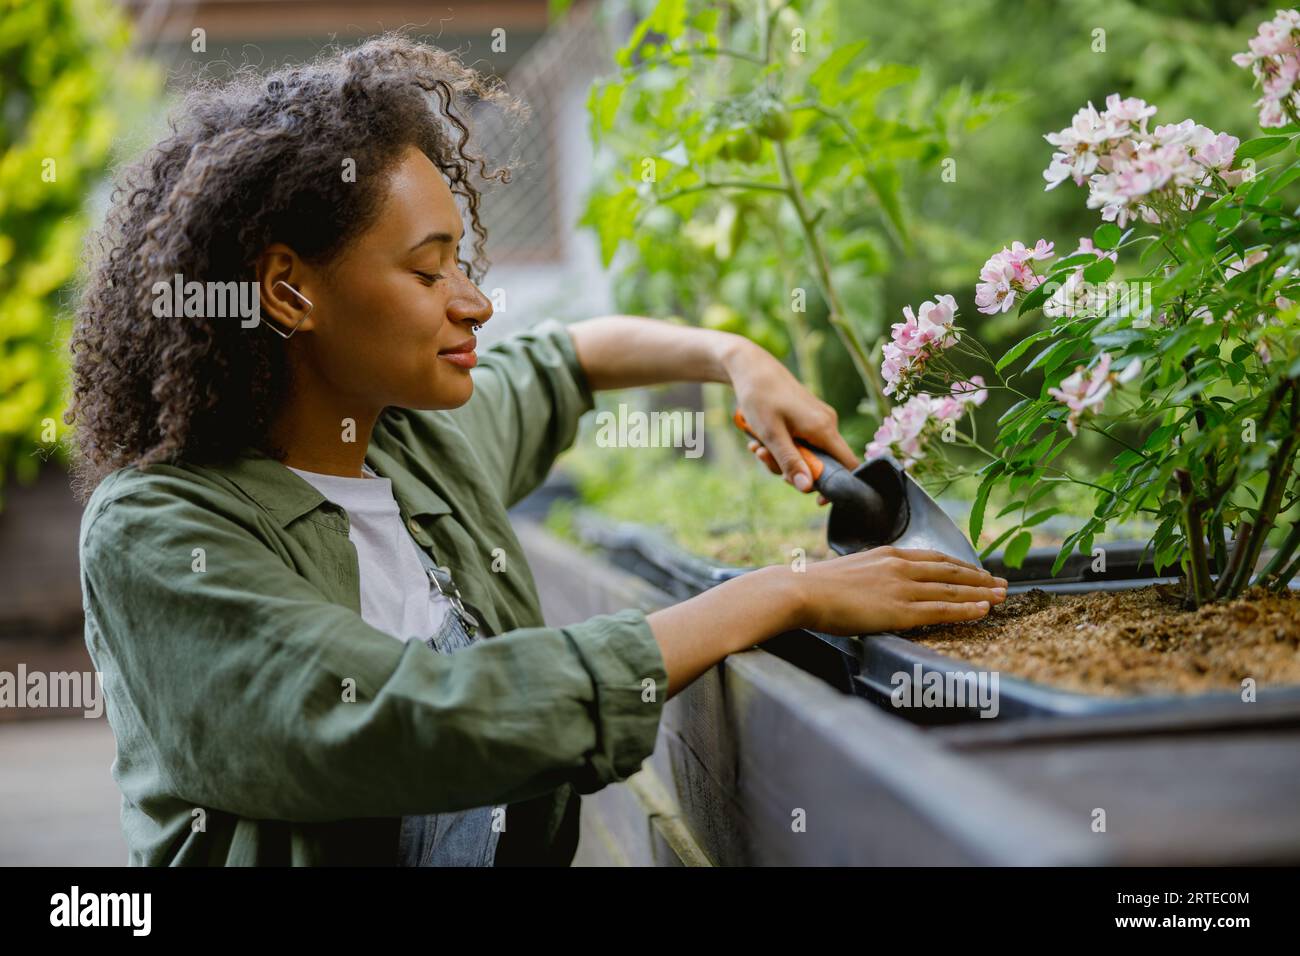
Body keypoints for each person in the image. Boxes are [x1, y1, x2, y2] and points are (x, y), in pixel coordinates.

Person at [68, 37, 1007, 866]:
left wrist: (735, 360)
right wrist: (778, 592)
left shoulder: (413, 446)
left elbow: (570, 360)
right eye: (428, 270)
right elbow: (419, 716)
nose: (472, 302)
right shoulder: (160, 532)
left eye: (463, 265)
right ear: (288, 291)